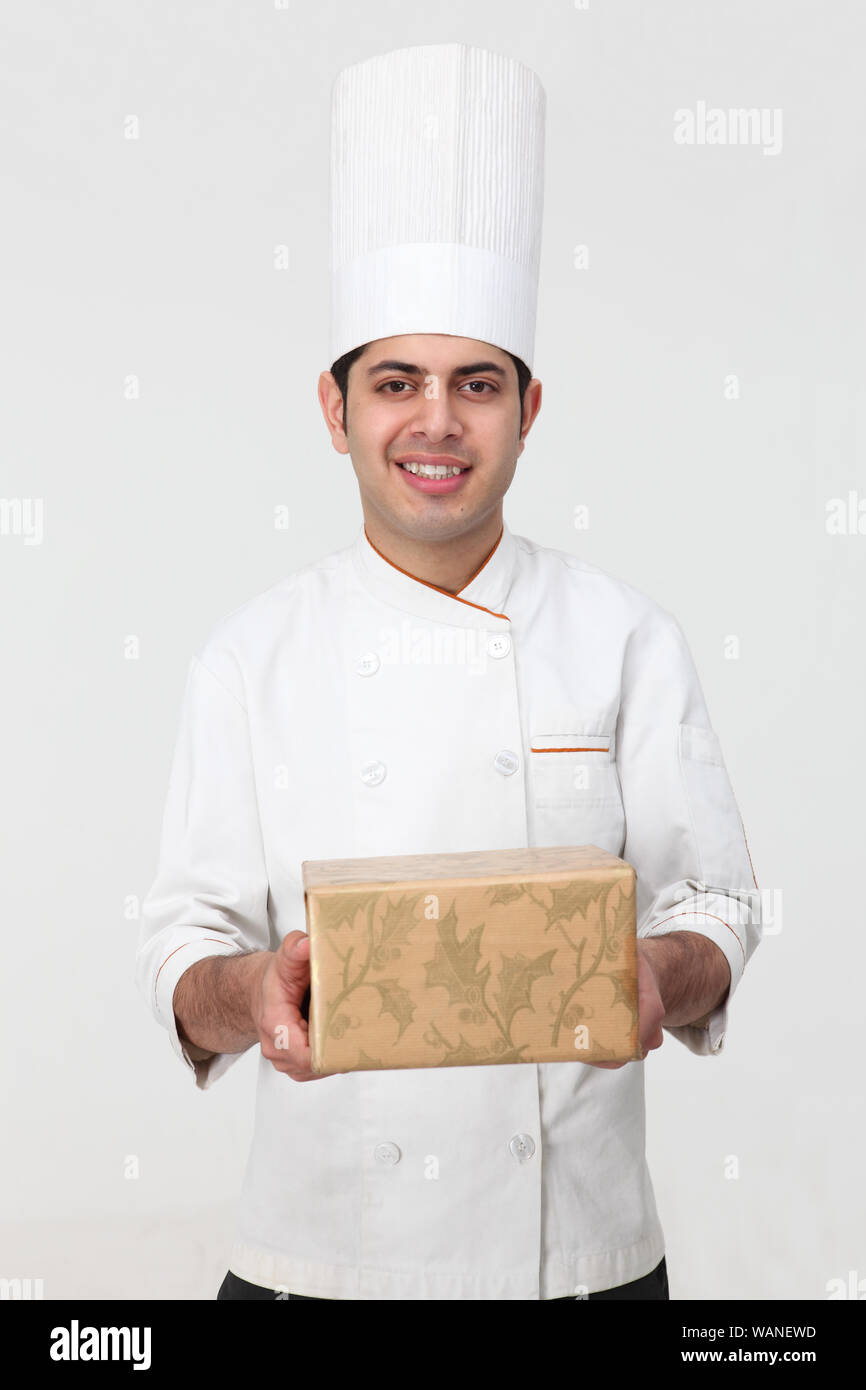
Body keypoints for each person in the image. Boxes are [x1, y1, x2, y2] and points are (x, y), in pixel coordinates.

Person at [136, 43, 761, 1301]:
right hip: (317, 1269)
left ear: (530, 410)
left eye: (476, 383)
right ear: (333, 407)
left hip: (579, 1268)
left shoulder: (625, 637)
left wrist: (659, 975)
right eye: (395, 383)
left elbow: (723, 905)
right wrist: (253, 987)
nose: (434, 423)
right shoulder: (247, 658)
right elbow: (179, 950)